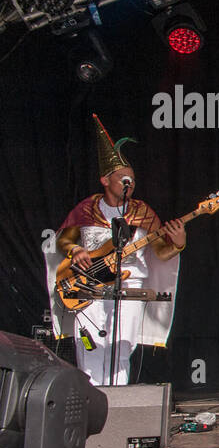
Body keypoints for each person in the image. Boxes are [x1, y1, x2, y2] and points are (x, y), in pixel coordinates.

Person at [48, 121, 184, 386]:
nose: (129, 183)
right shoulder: (87, 208)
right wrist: (75, 249)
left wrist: (177, 243)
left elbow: (162, 253)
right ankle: (90, 397)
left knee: (121, 345)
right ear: (105, 180)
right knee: (89, 345)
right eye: (124, 178)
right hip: (88, 283)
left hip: (130, 285)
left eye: (132, 179)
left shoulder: (143, 212)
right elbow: (64, 237)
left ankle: (116, 403)